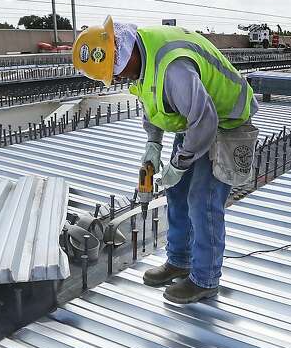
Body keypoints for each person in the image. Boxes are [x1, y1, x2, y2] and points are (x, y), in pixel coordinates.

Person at [72, 16, 258, 303]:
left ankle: (205, 279)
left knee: (202, 200)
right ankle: (179, 260)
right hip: (192, 122)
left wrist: (179, 163)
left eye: (117, 72)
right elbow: (152, 100)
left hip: (226, 123)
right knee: (176, 190)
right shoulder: (142, 59)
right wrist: (153, 143)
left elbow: (205, 121)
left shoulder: (174, 69)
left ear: (124, 51)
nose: (119, 79)